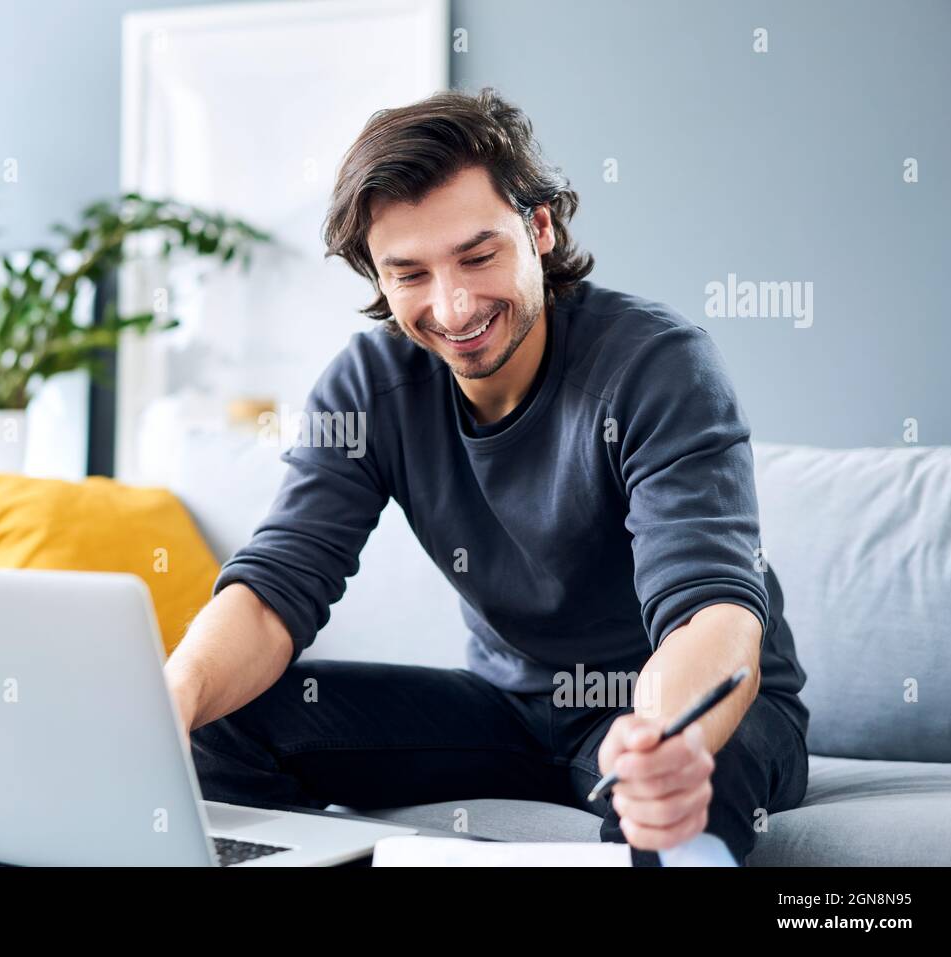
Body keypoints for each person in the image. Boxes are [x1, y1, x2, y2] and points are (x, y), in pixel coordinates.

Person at [164, 87, 809, 866]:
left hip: (670, 705)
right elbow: (275, 592)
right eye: (410, 274)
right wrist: (172, 695)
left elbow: (711, 608)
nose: (454, 305)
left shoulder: (657, 365)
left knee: (692, 775)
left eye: (478, 256)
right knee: (218, 721)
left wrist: (664, 736)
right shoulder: (368, 387)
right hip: (509, 711)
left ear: (538, 228)